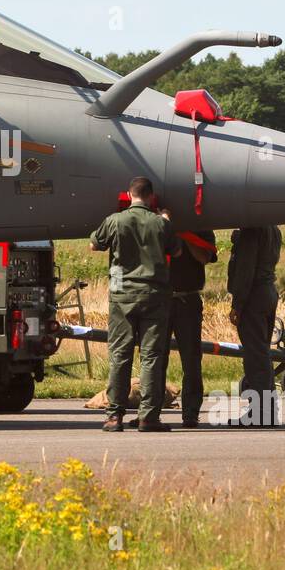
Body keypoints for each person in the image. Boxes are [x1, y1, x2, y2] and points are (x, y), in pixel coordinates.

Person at [89, 177, 183, 432]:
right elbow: (176, 252)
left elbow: (94, 244)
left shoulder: (115, 220)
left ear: (130, 195)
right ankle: (148, 418)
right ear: (151, 197)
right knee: (151, 357)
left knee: (120, 355)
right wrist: (164, 221)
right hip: (155, 295)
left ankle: (114, 416)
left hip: (122, 296)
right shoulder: (160, 223)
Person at [226, 225, 282, 426]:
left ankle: (259, 412)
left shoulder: (251, 230)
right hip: (267, 292)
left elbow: (245, 270)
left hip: (253, 296)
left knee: (255, 357)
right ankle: (268, 410)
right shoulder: (273, 228)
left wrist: (237, 305)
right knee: (262, 354)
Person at [168, 228, 218, 428]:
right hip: (161, 300)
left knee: (191, 359)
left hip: (187, 299)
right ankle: (149, 410)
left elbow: (205, 257)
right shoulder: (158, 222)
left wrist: (186, 236)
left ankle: (190, 412)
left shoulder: (201, 226)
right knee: (154, 357)